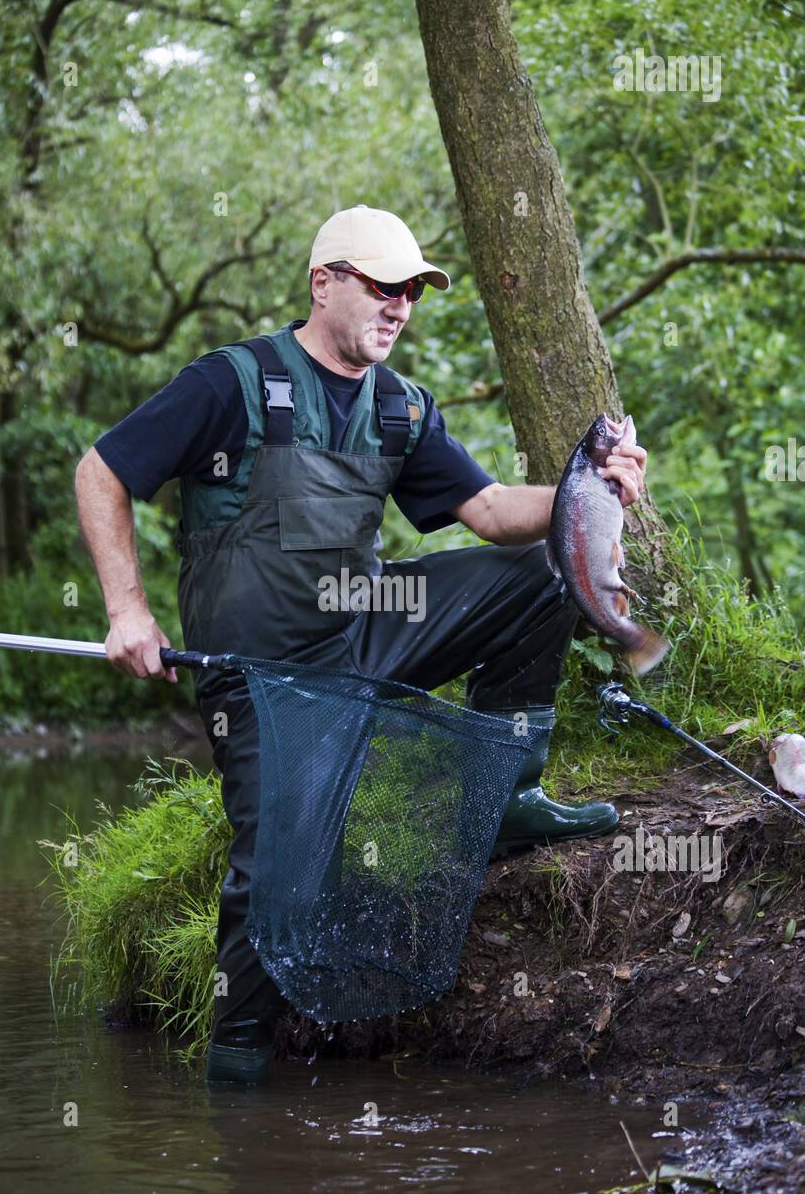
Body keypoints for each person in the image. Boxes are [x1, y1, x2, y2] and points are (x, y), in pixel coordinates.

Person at [75, 205, 647, 1085]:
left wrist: (590, 482)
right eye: (383, 286)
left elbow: (491, 512)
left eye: (411, 291)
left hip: (367, 633)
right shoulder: (231, 382)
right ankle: (238, 1062)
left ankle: (509, 794)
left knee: (540, 571)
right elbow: (102, 470)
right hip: (262, 681)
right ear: (324, 283)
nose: (400, 306)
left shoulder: (401, 408)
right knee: (281, 879)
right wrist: (127, 610)